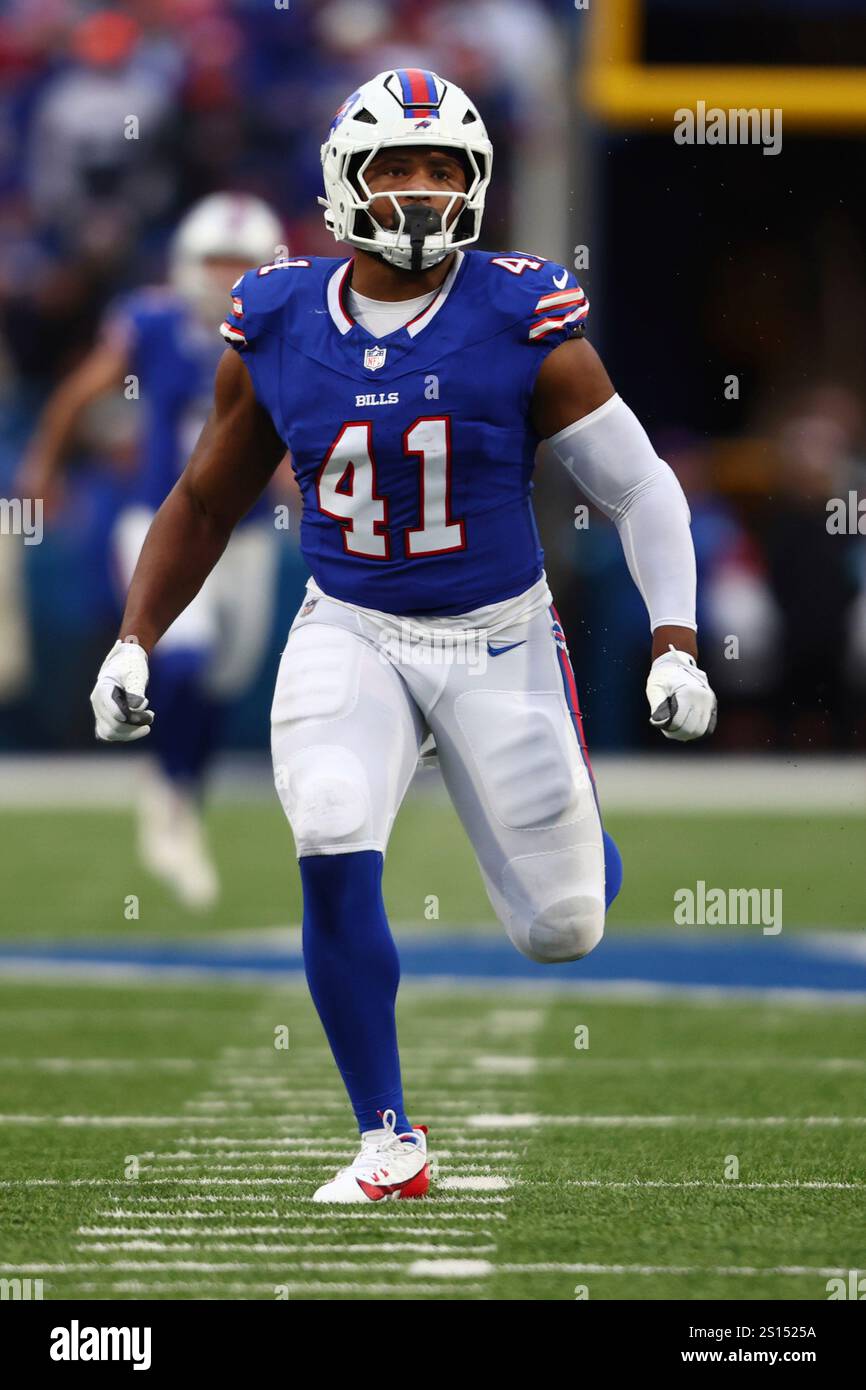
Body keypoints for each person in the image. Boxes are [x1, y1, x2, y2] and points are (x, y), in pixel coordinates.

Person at [88, 70, 717, 1200]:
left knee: (564, 928)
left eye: (443, 169)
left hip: (497, 634)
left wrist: (673, 639)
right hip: (353, 626)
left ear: (476, 186)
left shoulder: (519, 311)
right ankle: (389, 1138)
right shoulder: (276, 317)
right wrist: (134, 637)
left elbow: (640, 491)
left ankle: (570, 824)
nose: (422, 190)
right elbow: (199, 502)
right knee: (330, 825)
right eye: (397, 166)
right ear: (344, 177)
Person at [23, 193, 286, 908]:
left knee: (224, 683)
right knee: (186, 656)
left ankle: (178, 791)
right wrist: (42, 467)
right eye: (217, 261)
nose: (229, 274)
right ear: (186, 265)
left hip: (250, 533)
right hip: (161, 521)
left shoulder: (285, 328)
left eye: (243, 261)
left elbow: (291, 437)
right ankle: (168, 799)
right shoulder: (152, 322)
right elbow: (81, 392)